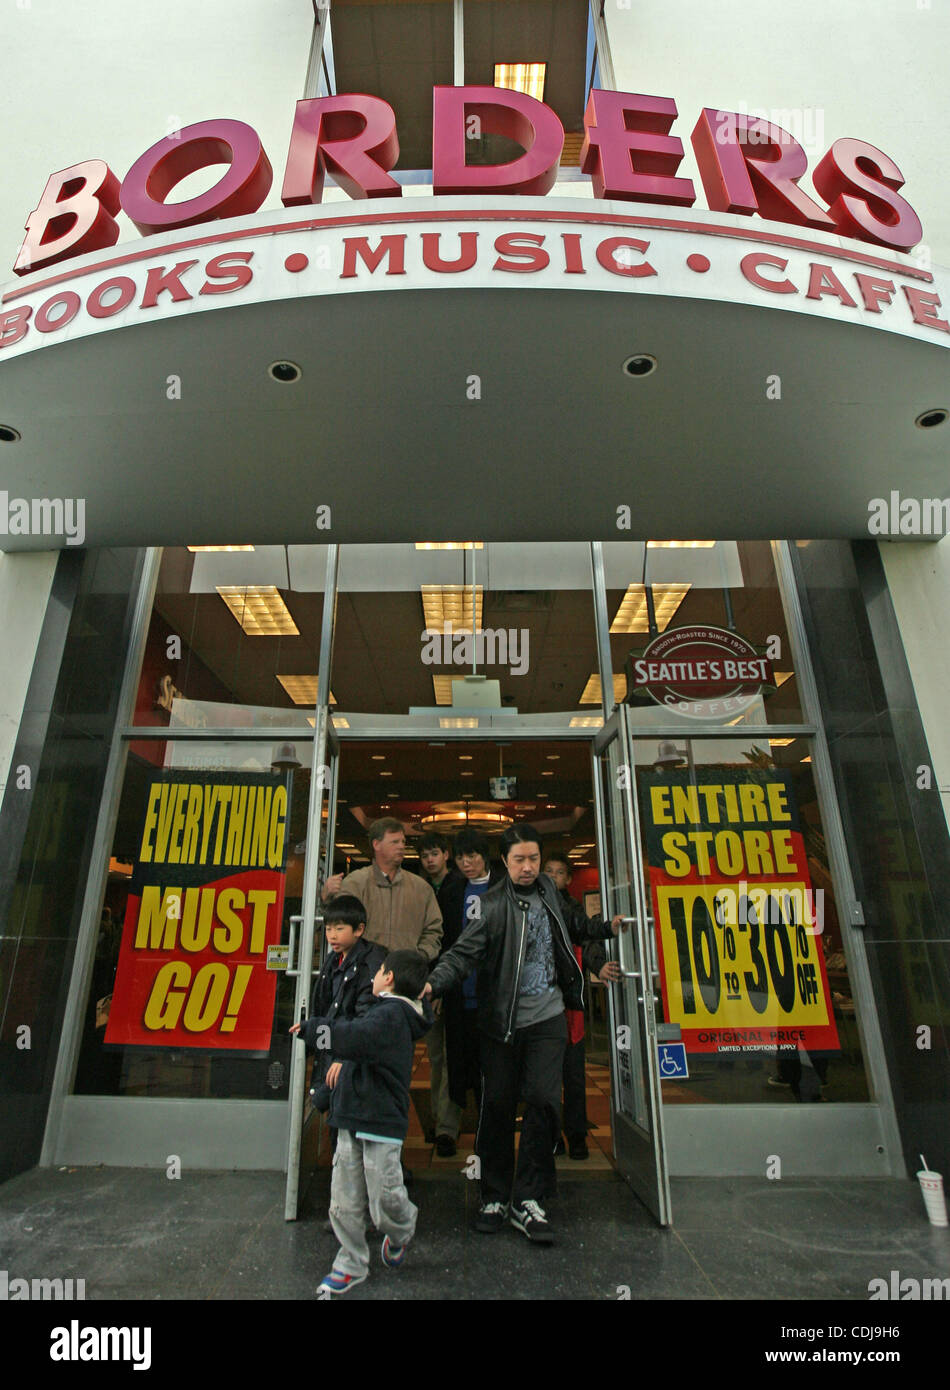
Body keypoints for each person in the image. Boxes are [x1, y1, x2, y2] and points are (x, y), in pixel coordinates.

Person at [424, 824, 624, 1245]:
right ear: (505, 862)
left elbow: (574, 924)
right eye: (520, 860)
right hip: (501, 1022)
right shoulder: (492, 905)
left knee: (544, 1102)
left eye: (534, 859)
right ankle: (494, 1195)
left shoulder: (550, 891)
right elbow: (463, 952)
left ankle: (529, 1198)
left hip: (548, 1018)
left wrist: (607, 926)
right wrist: (434, 982)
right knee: (496, 1105)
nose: (529, 867)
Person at [290, 949, 432, 1295]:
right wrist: (325, 1095)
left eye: (380, 971)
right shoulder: (381, 1016)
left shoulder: (392, 1017)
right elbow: (352, 1058)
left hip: (380, 1122)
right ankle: (350, 1262)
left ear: (390, 980)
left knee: (384, 1198)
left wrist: (313, 1031)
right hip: (352, 1118)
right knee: (344, 1198)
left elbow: (352, 1039)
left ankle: (401, 1229)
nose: (373, 977)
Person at [542, 853, 621, 1160]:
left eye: (559, 872)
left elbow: (588, 942)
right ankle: (550, 1136)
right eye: (547, 870)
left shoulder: (573, 910)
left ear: (568, 879)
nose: (552, 877)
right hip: (539, 1000)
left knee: (573, 1075)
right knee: (544, 1078)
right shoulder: (531, 904)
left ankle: (576, 1135)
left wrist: (599, 967)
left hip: (569, 1002)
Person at [431, 830, 505, 1155]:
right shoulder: (451, 889)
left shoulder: (503, 886)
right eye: (461, 858)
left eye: (472, 856)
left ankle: (489, 1128)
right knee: (453, 1059)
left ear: (484, 855)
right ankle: (448, 1129)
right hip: (458, 990)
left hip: (494, 992)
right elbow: (443, 938)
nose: (467, 863)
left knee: (492, 1062)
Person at [302, 894, 385, 1115]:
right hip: (336, 1047)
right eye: (328, 929)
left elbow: (365, 1017)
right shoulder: (334, 959)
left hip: (350, 1054)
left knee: (345, 1116)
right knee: (335, 1112)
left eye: (339, 929)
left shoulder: (368, 964)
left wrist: (344, 1057)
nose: (332, 936)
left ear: (358, 930)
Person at [323, 817, 443, 960]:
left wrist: (419, 957)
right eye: (394, 842)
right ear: (376, 844)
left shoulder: (421, 888)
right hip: (363, 975)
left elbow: (433, 930)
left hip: (406, 975)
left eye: (403, 841)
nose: (401, 846)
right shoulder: (355, 883)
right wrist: (325, 898)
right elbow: (338, 925)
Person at [419, 831, 467, 1151]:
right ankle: (440, 1118)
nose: (430, 859)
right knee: (436, 1056)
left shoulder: (462, 887)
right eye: (424, 855)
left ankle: (448, 1125)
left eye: (434, 853)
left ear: (446, 854)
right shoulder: (419, 889)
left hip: (458, 983)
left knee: (454, 1056)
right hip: (427, 985)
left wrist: (444, 985)